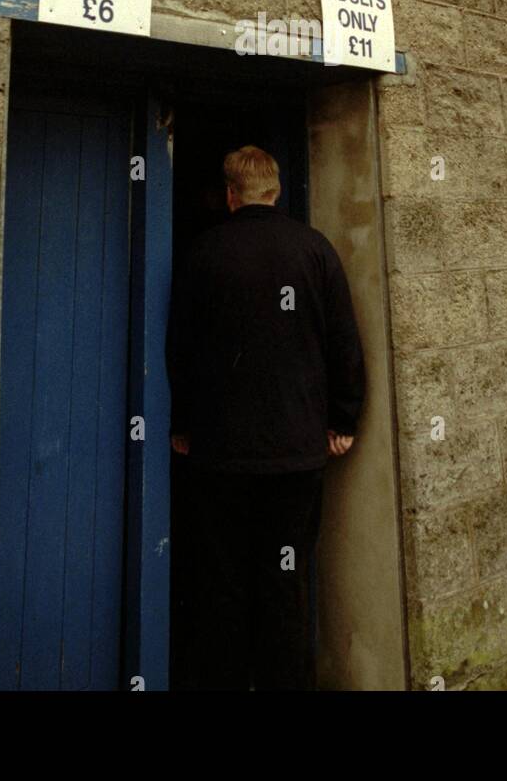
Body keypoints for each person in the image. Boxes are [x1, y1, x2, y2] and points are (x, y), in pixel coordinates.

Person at [166, 143, 365, 691]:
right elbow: (344, 343)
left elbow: (178, 348)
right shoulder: (315, 251)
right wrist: (344, 420)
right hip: (296, 457)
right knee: (285, 581)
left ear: (231, 195)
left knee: (223, 582)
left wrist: (181, 425)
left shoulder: (203, 253)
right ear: (276, 192)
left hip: (219, 456)